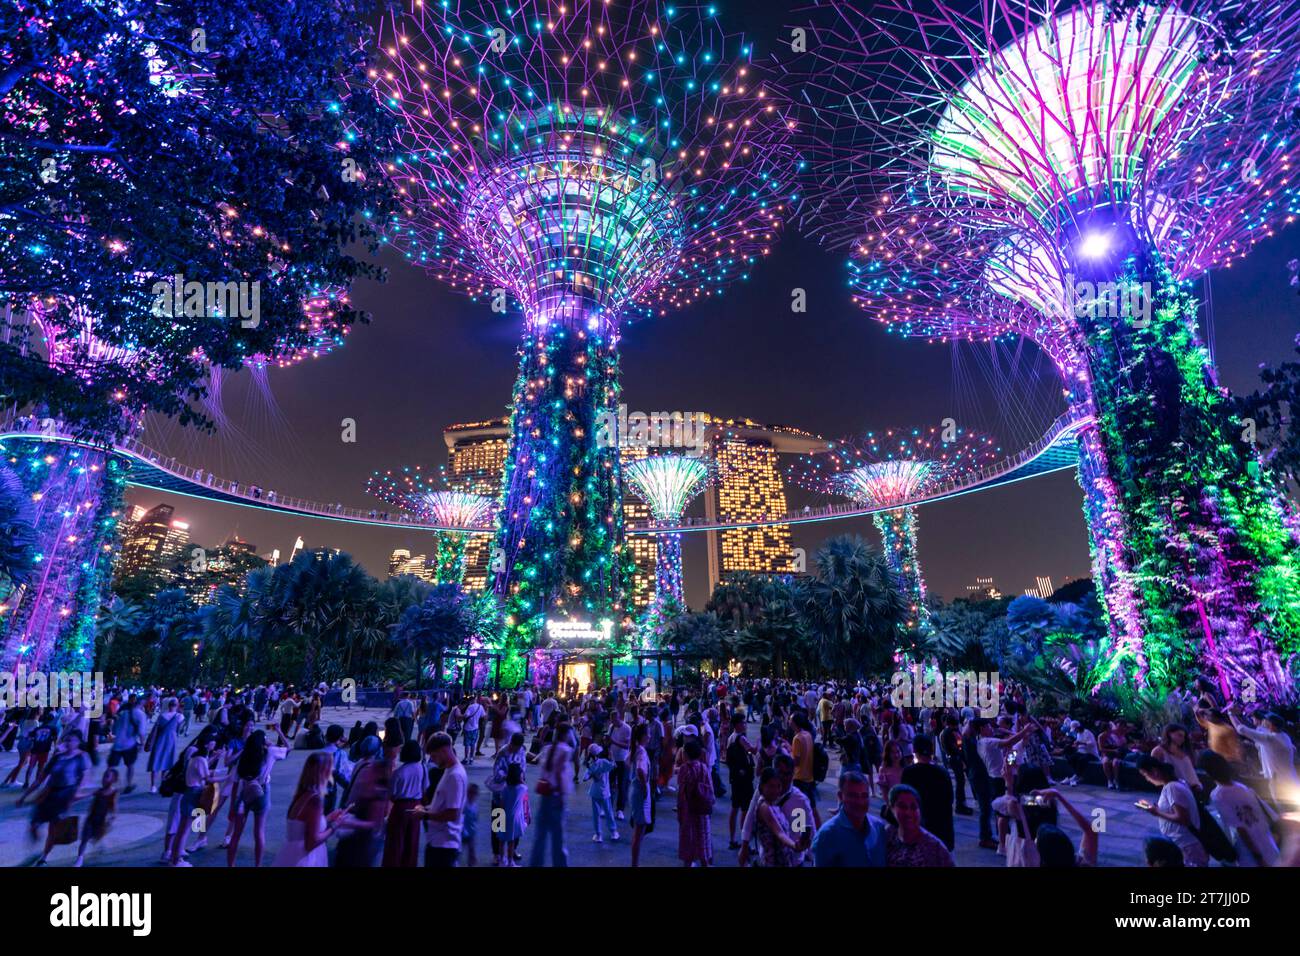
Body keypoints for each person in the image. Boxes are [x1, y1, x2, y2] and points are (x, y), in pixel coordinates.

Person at [23, 730, 92, 866]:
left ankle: (44, 857)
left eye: (71, 740)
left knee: (53, 830)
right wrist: (25, 795)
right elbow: (41, 778)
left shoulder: (81, 757)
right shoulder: (57, 757)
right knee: (33, 825)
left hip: (64, 795)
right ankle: (40, 851)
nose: (68, 743)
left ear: (78, 742)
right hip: (49, 793)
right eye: (66, 740)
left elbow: (85, 777)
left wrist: (77, 792)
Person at [1200, 752, 1280, 866]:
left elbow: (1240, 829)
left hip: (1249, 850)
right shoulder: (1241, 787)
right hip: (1267, 841)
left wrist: (1257, 856)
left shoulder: (1218, 795)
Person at [225, 727, 290, 867]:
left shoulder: (243, 756)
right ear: (263, 741)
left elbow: (235, 783)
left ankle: (231, 865)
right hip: (262, 792)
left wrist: (232, 806)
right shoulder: (270, 753)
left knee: (236, 834)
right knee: (259, 833)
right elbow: (288, 748)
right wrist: (279, 731)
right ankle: (258, 865)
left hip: (243, 794)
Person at [272, 753, 344, 867]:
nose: (333, 771)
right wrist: (334, 826)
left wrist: (328, 818)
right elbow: (311, 843)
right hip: (305, 858)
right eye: (331, 767)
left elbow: (304, 826)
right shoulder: (315, 801)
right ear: (324, 772)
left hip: (291, 854)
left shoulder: (302, 795)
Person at [1137, 755, 1208, 866]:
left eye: (1146, 775)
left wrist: (1157, 812)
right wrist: (1155, 808)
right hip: (1184, 844)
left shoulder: (1172, 788)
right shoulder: (1177, 784)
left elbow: (1183, 818)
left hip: (1187, 844)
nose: (1147, 779)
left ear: (1155, 772)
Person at [811, 771, 887, 867]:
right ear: (840, 796)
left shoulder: (879, 827)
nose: (860, 802)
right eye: (853, 796)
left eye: (864, 795)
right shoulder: (827, 835)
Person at [1229, 709, 1299, 805]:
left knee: (1285, 806)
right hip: (1291, 776)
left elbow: (1241, 729)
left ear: (1272, 725)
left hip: (1279, 781)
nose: (1264, 721)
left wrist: (1231, 714)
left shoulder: (1270, 739)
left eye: (1266, 720)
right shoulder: (1284, 736)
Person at [900, 734, 955, 850]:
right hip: (941, 829)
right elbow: (950, 799)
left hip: (919, 827)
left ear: (914, 750)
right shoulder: (942, 772)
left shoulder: (909, 773)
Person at [530, 720, 573, 867]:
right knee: (558, 838)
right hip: (556, 796)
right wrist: (562, 796)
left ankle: (536, 864)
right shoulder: (565, 750)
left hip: (544, 795)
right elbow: (560, 773)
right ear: (566, 734)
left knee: (540, 836)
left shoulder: (548, 748)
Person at [884, 784, 955, 867]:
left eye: (913, 807)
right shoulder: (889, 834)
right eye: (902, 806)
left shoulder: (935, 848)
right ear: (892, 808)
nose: (908, 812)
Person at [383, 740, 428, 867]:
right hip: (416, 807)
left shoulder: (399, 772)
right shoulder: (423, 769)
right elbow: (425, 788)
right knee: (412, 842)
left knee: (395, 842)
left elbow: (392, 794)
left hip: (400, 807)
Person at [676, 737, 715, 867]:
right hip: (702, 811)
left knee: (688, 847)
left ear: (686, 754)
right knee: (703, 845)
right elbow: (710, 790)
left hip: (688, 812)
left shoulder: (683, 769)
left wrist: (679, 812)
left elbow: (681, 793)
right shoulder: (704, 768)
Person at [752, 767, 800, 867]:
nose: (776, 790)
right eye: (771, 786)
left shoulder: (772, 803)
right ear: (762, 786)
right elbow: (779, 833)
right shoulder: (765, 807)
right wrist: (794, 845)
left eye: (778, 786)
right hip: (773, 862)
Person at [75, 768, 120, 867]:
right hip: (91, 818)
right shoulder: (99, 791)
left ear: (114, 780)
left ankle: (99, 843)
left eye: (107, 776)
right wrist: (76, 796)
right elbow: (86, 795)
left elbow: (114, 808)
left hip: (102, 820)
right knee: (84, 839)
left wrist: (111, 818)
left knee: (97, 836)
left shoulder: (113, 793)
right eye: (104, 776)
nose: (104, 779)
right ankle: (79, 859)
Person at [724, 712, 756, 850]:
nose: (745, 724)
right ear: (737, 724)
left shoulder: (731, 737)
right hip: (743, 778)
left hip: (735, 777)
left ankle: (732, 839)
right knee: (746, 810)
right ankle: (745, 842)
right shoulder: (741, 738)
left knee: (735, 808)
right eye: (743, 722)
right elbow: (753, 750)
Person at [108, 696, 148, 793]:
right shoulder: (140, 714)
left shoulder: (123, 713)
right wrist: (142, 744)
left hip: (117, 743)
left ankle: (107, 785)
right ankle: (128, 785)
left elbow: (115, 727)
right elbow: (141, 732)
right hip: (129, 744)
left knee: (111, 766)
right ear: (142, 704)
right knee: (130, 765)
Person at [627, 721, 653, 867]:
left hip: (634, 788)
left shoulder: (635, 748)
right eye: (648, 734)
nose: (650, 737)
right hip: (639, 789)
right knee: (639, 830)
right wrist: (644, 786)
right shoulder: (641, 751)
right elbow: (640, 770)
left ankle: (634, 863)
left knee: (638, 829)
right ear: (643, 736)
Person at [583, 743, 619, 843]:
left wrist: (592, 774)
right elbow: (613, 765)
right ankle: (613, 832)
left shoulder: (591, 765)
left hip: (594, 793)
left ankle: (598, 835)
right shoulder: (603, 762)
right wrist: (611, 756)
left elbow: (585, 778)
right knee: (608, 812)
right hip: (605, 792)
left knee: (596, 814)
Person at [145, 697, 182, 793]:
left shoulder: (162, 716)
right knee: (167, 762)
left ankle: (153, 786)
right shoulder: (180, 717)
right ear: (177, 706)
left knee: (155, 761)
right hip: (171, 740)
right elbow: (179, 730)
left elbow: (155, 730)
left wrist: (150, 742)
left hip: (160, 740)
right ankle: (163, 782)